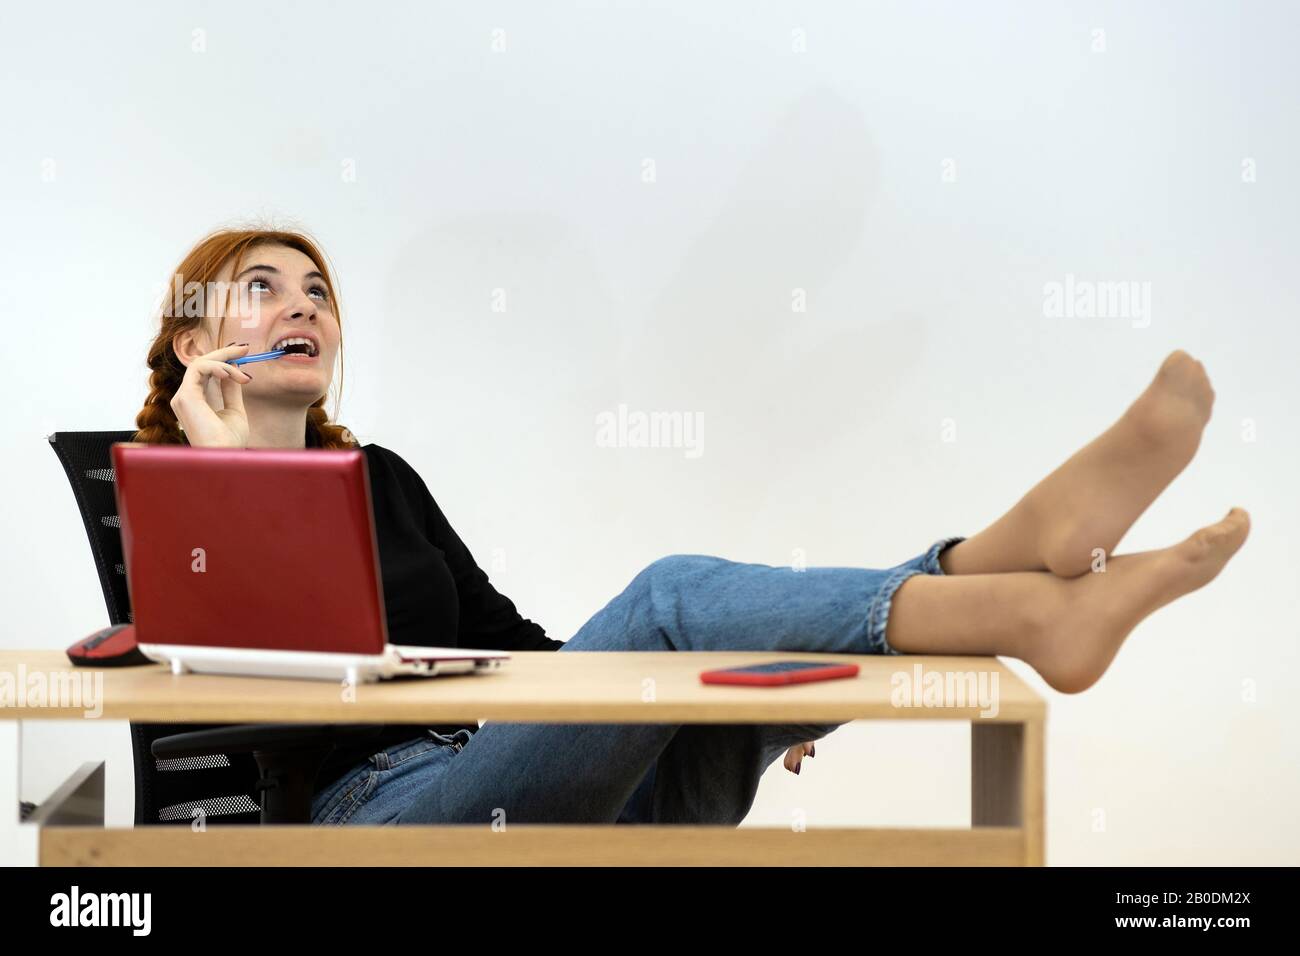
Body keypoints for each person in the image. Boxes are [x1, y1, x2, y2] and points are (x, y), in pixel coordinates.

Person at [134, 226, 1249, 826]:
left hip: (532, 786)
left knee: (724, 667)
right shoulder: (172, 499)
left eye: (319, 290)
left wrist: (672, 686)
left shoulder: (379, 475)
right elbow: (258, 723)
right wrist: (231, 480)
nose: (303, 306)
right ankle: (1014, 578)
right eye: (263, 289)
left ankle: (1003, 560)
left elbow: (519, 642)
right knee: (671, 595)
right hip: (385, 822)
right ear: (194, 342)